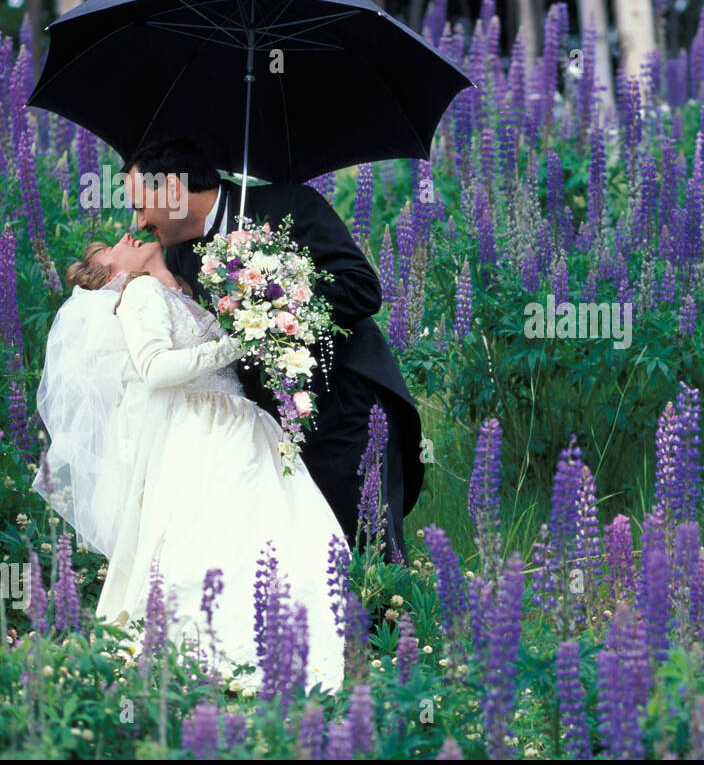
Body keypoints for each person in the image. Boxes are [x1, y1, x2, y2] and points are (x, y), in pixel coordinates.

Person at [32, 233, 347, 692]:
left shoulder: (180, 287)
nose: (127, 234)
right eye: (112, 249)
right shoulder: (140, 292)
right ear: (117, 274)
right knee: (213, 540)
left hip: (239, 425)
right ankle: (208, 653)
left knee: (269, 533)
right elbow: (155, 369)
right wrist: (238, 342)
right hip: (204, 428)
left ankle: (282, 646)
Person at [122, 137, 421, 563]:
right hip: (273, 432)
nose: (137, 221)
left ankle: (395, 631)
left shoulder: (289, 204)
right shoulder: (180, 261)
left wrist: (270, 297)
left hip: (346, 404)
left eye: (139, 205)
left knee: (367, 548)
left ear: (172, 189)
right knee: (307, 563)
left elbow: (363, 290)